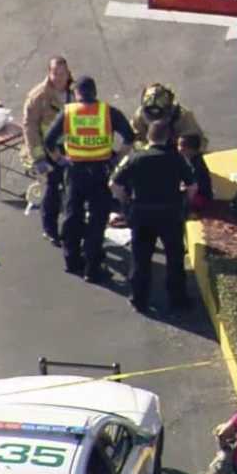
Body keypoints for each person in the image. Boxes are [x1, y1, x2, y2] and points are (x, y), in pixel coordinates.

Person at [42, 75, 135, 283]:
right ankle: (93, 268)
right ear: (95, 92)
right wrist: (117, 157)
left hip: (75, 171)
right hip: (100, 171)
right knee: (97, 219)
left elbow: (49, 141)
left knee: (72, 214)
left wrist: (60, 159)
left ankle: (72, 260)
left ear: (77, 94)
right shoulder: (108, 112)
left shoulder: (68, 113)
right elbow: (129, 136)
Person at [109, 119, 193, 313]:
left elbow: (114, 185)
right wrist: (184, 203)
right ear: (169, 137)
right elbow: (192, 186)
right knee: (175, 258)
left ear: (148, 136)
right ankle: (178, 299)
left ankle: (139, 299)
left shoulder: (135, 157)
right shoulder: (177, 158)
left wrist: (126, 202)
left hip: (142, 214)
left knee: (140, 259)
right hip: (170, 214)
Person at [20, 56, 72, 246]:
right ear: (49, 74)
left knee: (72, 188)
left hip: (70, 146)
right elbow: (29, 127)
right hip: (48, 148)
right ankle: (50, 229)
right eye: (56, 73)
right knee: (53, 190)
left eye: (63, 73)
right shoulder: (38, 96)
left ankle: (71, 226)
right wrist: (39, 157)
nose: (60, 77)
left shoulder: (73, 91)